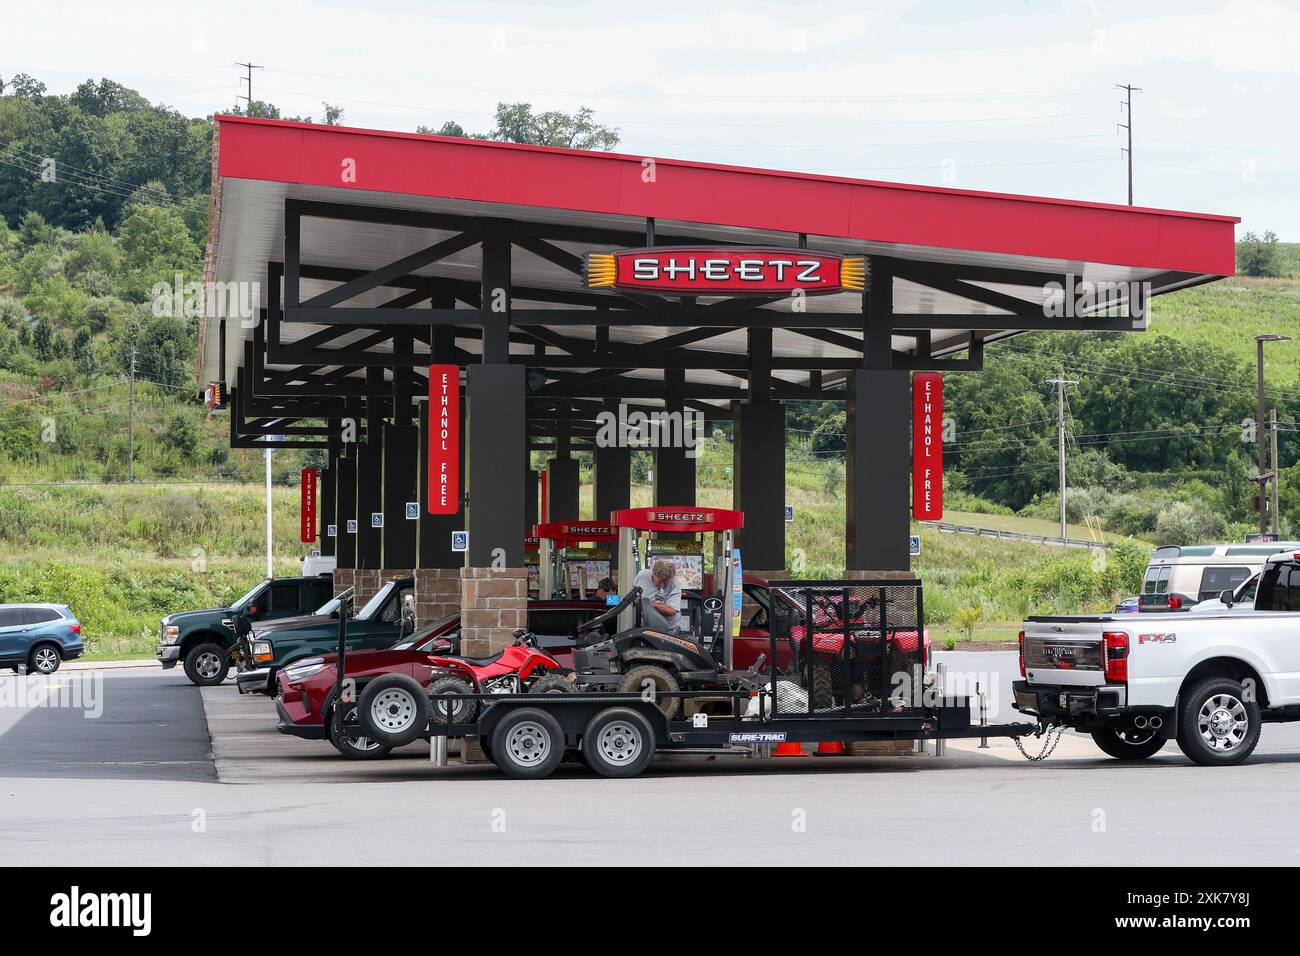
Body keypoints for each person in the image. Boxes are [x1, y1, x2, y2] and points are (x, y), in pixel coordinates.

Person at [632, 560, 684, 633]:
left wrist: (648, 604)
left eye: (665, 582)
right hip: (647, 628)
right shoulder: (642, 576)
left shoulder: (674, 584)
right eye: (660, 581)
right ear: (653, 573)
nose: (662, 585)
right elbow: (633, 596)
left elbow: (671, 610)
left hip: (669, 630)